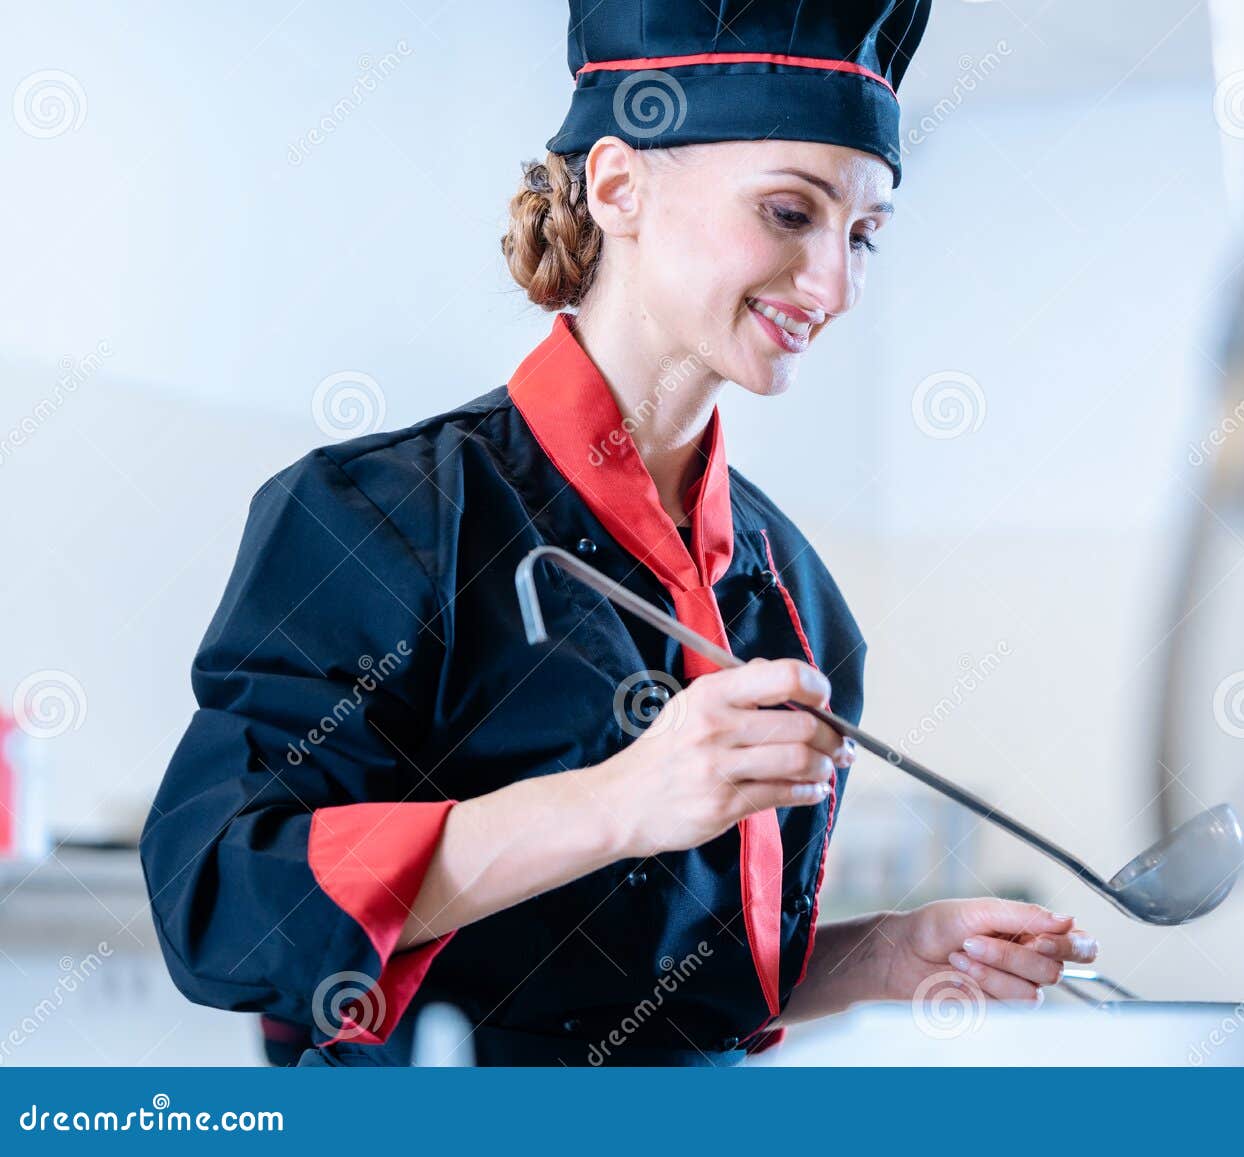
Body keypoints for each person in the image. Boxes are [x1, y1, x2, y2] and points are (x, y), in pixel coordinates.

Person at [139, 0, 1100, 1067]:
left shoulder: (798, 603)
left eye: (863, 233)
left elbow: (672, 994)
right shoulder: (382, 516)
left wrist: (880, 957)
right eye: (790, 212)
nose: (835, 284)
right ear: (617, 183)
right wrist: (618, 801)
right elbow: (224, 903)